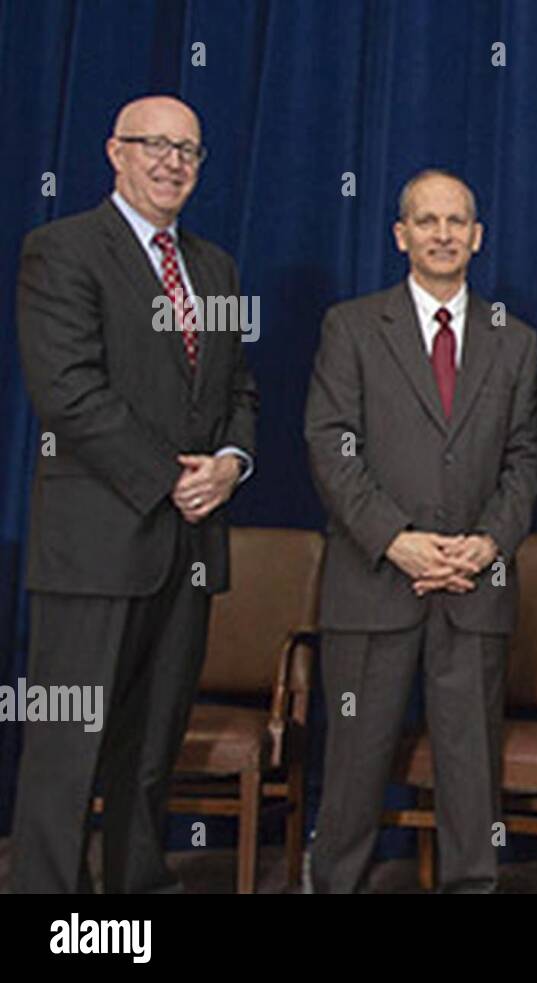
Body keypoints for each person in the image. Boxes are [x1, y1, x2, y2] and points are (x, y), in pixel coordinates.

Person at [13, 95, 258, 892]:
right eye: (153, 145)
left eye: (188, 149)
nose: (171, 161)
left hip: (187, 551)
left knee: (150, 752)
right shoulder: (62, 250)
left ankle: (133, 905)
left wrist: (229, 460)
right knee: (66, 751)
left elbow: (239, 390)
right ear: (114, 153)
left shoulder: (216, 269)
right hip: (96, 546)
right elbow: (68, 391)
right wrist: (171, 479)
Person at [304, 169, 537, 893]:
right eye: (426, 220)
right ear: (400, 234)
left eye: (456, 221)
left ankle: (472, 884)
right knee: (353, 763)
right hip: (375, 579)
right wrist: (395, 538)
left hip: (473, 583)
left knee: (470, 771)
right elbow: (329, 442)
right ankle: (334, 882)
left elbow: (527, 457)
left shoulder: (517, 339)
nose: (442, 234)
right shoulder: (351, 326)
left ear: (477, 237)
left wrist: (489, 542)